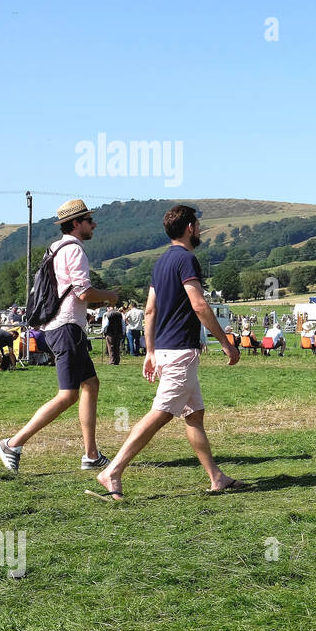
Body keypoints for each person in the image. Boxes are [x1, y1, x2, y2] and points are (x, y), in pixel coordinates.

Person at [91, 205, 243, 500]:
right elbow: (199, 305)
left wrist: (150, 351)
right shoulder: (187, 260)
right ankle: (112, 471)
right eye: (198, 225)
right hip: (180, 354)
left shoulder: (160, 263)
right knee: (160, 414)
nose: (199, 229)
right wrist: (225, 342)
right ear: (189, 228)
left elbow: (150, 309)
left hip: (165, 350)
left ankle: (217, 477)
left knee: (195, 416)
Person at [0, 199, 119, 475]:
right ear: (76, 223)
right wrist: (109, 296)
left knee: (91, 384)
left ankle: (91, 454)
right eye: (89, 220)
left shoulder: (55, 248)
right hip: (66, 329)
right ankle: (12, 444)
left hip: (55, 326)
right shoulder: (74, 250)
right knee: (67, 395)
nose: (93, 224)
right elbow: (83, 293)